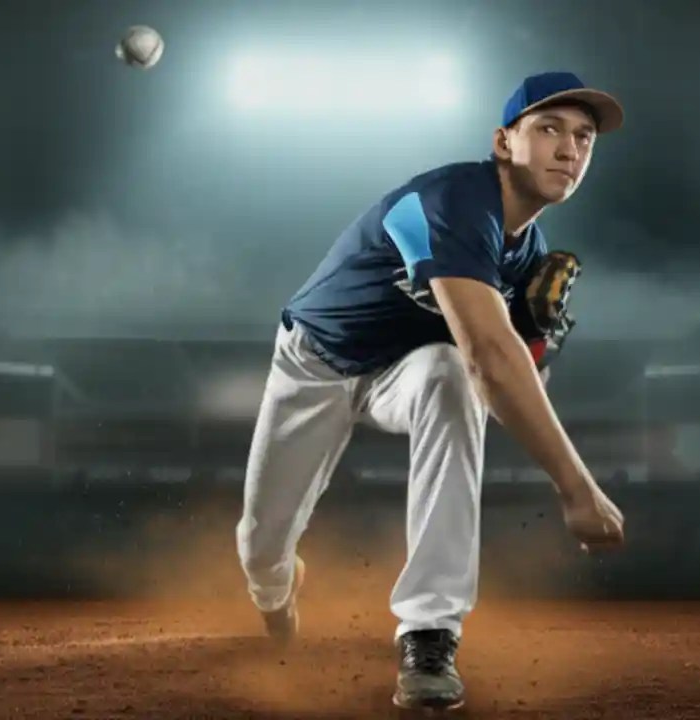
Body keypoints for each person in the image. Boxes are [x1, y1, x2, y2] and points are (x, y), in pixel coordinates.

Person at [235, 71, 627, 712]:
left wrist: (540, 343)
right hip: (316, 364)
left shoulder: (530, 249)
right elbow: (492, 359)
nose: (570, 148)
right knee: (260, 545)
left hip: (405, 373)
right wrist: (576, 487)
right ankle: (275, 591)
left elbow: (510, 374)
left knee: (450, 375)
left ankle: (429, 630)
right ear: (505, 142)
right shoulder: (449, 200)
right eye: (549, 128)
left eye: (584, 137)